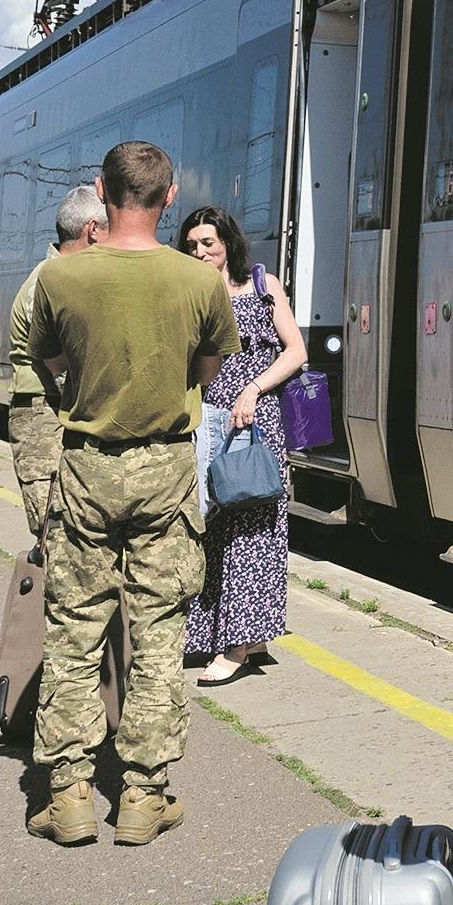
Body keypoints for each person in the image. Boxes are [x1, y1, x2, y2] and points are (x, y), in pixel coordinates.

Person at [25, 141, 240, 848]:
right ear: (170, 196)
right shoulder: (200, 282)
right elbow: (207, 373)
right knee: (158, 635)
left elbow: (54, 368)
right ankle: (144, 797)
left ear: (100, 191)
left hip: (86, 469)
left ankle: (70, 796)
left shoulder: (62, 278)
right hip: (166, 474)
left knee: (75, 631)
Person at [178, 206, 307, 686]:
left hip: (254, 421)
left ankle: (238, 648)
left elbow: (296, 350)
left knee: (252, 529)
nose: (201, 252)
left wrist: (252, 388)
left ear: (228, 243)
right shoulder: (189, 291)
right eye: (191, 245)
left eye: (208, 243)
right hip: (208, 419)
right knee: (211, 527)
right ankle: (232, 635)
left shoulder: (261, 284)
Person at [9, 186, 105, 537]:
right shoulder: (49, 282)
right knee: (55, 531)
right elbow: (61, 365)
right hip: (43, 413)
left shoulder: (65, 277)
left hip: (56, 411)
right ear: (93, 230)